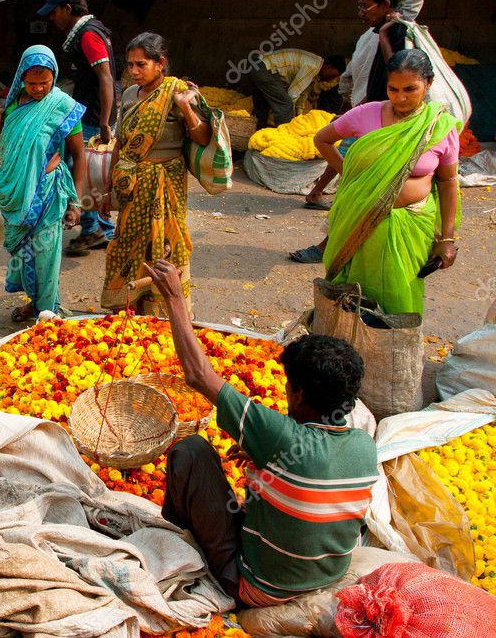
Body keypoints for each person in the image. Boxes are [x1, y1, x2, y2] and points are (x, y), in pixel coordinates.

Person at [146, 257, 378, 607]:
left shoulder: (283, 436)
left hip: (259, 588)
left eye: (288, 387)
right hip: (327, 575)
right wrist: (264, 456)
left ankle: (183, 545)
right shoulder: (363, 444)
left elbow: (197, 374)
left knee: (191, 449)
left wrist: (175, 299)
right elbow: (312, 473)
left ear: (299, 394)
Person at [316, 49, 459, 316]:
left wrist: (447, 238)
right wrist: (350, 175)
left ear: (428, 83)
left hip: (412, 225)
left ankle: (394, 348)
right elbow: (322, 139)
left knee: (400, 295)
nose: (401, 97)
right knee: (351, 292)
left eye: (410, 89)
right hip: (358, 216)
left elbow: (448, 181)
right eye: (393, 89)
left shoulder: (439, 126)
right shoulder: (366, 114)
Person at [99, 33, 209, 318]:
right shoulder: (128, 95)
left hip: (165, 187)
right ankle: (129, 308)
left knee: (165, 249)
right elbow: (121, 144)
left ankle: (165, 314)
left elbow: (204, 136)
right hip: (131, 187)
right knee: (125, 246)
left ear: (160, 63)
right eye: (130, 65)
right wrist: (108, 187)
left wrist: (185, 105)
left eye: (141, 64)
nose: (134, 71)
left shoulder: (179, 92)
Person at [301, 0, 421, 213]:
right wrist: (349, 102)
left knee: (349, 154)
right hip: (367, 106)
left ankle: (326, 197)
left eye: (366, 6)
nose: (361, 12)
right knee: (345, 153)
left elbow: (396, 70)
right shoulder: (370, 35)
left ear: (385, 5)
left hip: (379, 110)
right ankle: (331, 196)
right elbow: (353, 72)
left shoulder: (397, 29)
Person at [0, 45, 85, 322]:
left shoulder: (62, 107)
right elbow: (5, 150)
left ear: (54, 77)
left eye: (45, 82)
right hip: (15, 192)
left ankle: (49, 311)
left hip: (48, 193)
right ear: (21, 79)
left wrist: (76, 201)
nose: (39, 89)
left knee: (46, 255)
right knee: (25, 252)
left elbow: (79, 156)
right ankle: (34, 302)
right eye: (32, 83)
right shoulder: (13, 107)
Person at [39, 0, 117, 255]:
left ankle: (91, 228)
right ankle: (103, 229)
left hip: (92, 115)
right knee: (96, 172)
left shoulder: (88, 35)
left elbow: (105, 78)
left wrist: (105, 122)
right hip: (93, 112)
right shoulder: (92, 30)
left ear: (68, 7)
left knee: (80, 167)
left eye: (54, 11)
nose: (51, 17)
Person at [248, 49, 346, 128]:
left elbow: (302, 94)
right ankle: (283, 139)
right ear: (328, 67)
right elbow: (292, 95)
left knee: (262, 107)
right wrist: (293, 125)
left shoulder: (315, 66)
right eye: (333, 75)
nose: (330, 79)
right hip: (265, 69)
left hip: (258, 66)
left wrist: (299, 117)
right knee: (286, 105)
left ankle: (255, 134)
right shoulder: (312, 67)